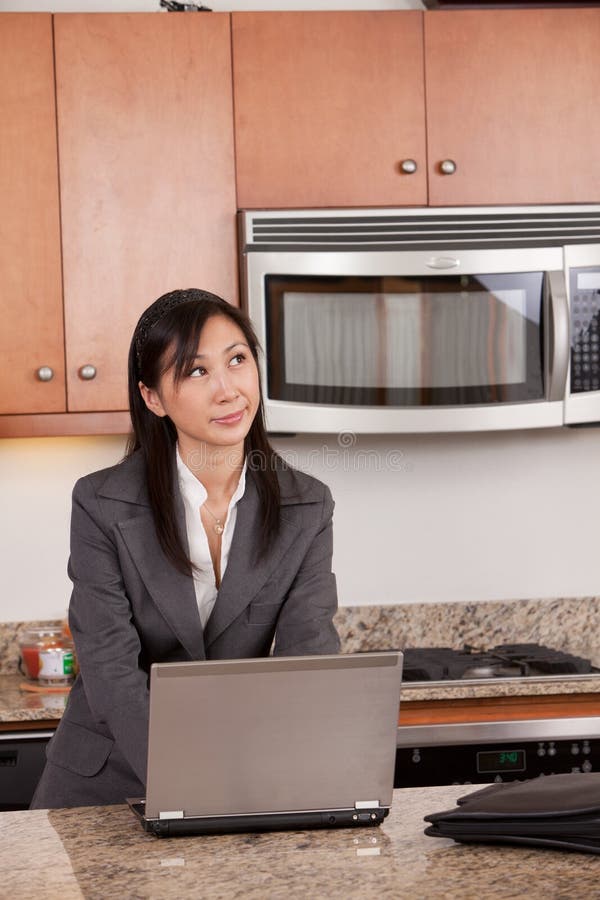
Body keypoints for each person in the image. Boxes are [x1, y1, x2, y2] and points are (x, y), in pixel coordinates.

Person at [31, 288, 340, 809]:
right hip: (108, 783)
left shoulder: (306, 506)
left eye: (237, 360)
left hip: (242, 778)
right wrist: (195, 788)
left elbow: (306, 661)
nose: (228, 390)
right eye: (196, 372)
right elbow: (110, 673)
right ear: (153, 398)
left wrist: (294, 783)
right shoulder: (101, 503)